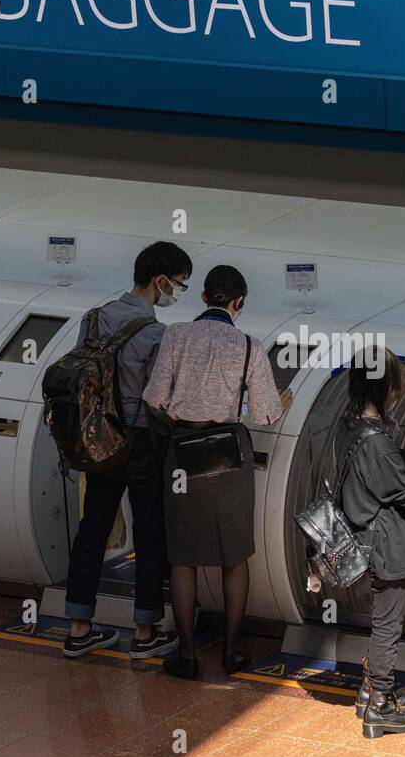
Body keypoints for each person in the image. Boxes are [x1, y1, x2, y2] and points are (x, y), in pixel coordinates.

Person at [143, 265, 291, 679]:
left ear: (204, 296)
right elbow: (264, 413)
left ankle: (188, 656)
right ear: (238, 302)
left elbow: (154, 398)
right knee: (234, 556)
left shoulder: (175, 335)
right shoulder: (248, 346)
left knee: (184, 558)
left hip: (183, 456)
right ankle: (231, 652)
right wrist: (284, 398)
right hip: (228, 458)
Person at [310, 345, 405, 739]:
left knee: (382, 620)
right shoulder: (375, 440)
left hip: (362, 538)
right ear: (388, 385)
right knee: (389, 623)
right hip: (387, 544)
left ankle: (370, 686)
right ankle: (381, 704)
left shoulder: (347, 425)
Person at [61, 241, 192, 660]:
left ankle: (79, 627)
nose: (176, 294)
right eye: (178, 286)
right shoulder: (157, 334)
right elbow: (161, 397)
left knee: (93, 529)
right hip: (140, 444)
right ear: (160, 281)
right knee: (149, 534)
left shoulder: (94, 319)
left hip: (98, 441)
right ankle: (144, 632)